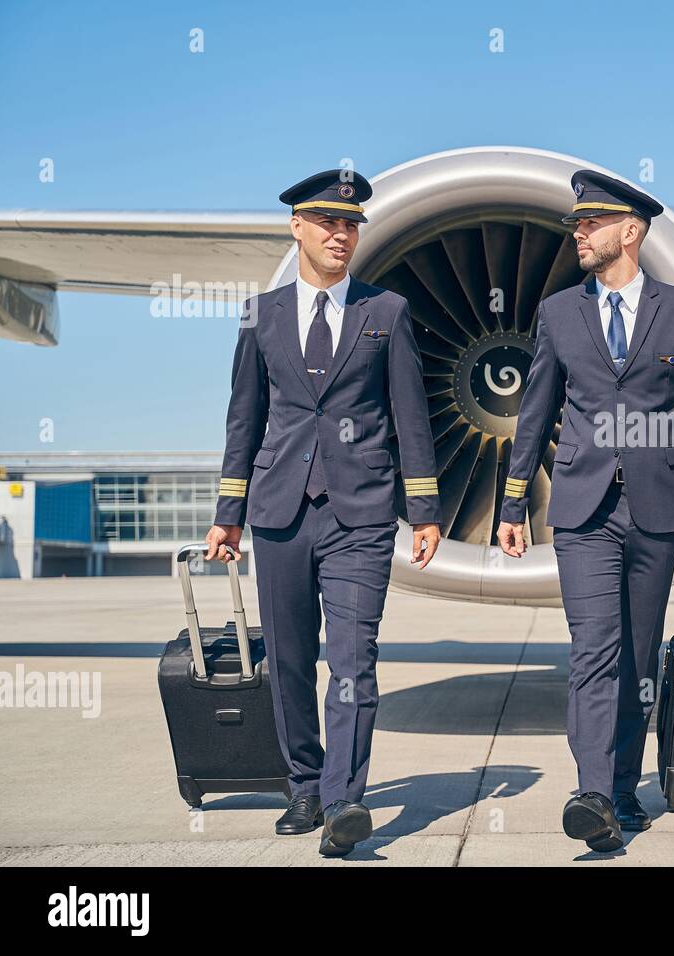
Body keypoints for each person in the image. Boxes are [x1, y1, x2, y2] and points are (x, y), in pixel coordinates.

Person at [495, 169, 674, 852]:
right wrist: (514, 498)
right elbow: (534, 414)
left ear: (631, 230)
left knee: (639, 657)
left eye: (590, 222)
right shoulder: (559, 314)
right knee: (594, 649)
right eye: (577, 223)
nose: (578, 231)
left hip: (657, 510)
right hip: (584, 509)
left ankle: (620, 788)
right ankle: (590, 791)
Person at [204, 169, 443, 857]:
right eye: (328, 223)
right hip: (280, 511)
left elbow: (411, 417)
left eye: (351, 224)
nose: (342, 234)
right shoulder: (262, 315)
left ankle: (344, 799)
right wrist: (230, 512)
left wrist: (422, 508)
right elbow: (242, 420)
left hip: (360, 515)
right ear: (298, 228)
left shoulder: (386, 312)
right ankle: (304, 783)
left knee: (352, 661)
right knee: (287, 661)